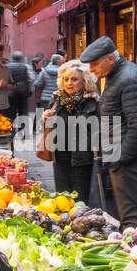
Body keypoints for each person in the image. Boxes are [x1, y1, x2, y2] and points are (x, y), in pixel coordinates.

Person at [80, 35, 137, 243]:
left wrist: (121, 157)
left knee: (130, 211)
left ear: (110, 59)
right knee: (129, 204)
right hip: (118, 151)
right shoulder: (116, 75)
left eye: (95, 64)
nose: (92, 69)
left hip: (125, 155)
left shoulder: (128, 78)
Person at [42, 60, 100, 205]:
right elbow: (49, 126)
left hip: (83, 159)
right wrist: (45, 117)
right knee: (63, 200)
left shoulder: (92, 101)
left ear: (84, 81)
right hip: (60, 158)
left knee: (81, 202)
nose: (69, 83)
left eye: (74, 79)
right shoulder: (57, 99)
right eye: (66, 79)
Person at [7, 49, 35, 123]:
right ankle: (22, 129)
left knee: (11, 111)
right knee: (23, 111)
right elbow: (31, 79)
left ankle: (11, 127)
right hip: (23, 92)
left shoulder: (7, 67)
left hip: (10, 92)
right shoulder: (26, 66)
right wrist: (31, 90)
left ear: (12, 58)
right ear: (21, 58)